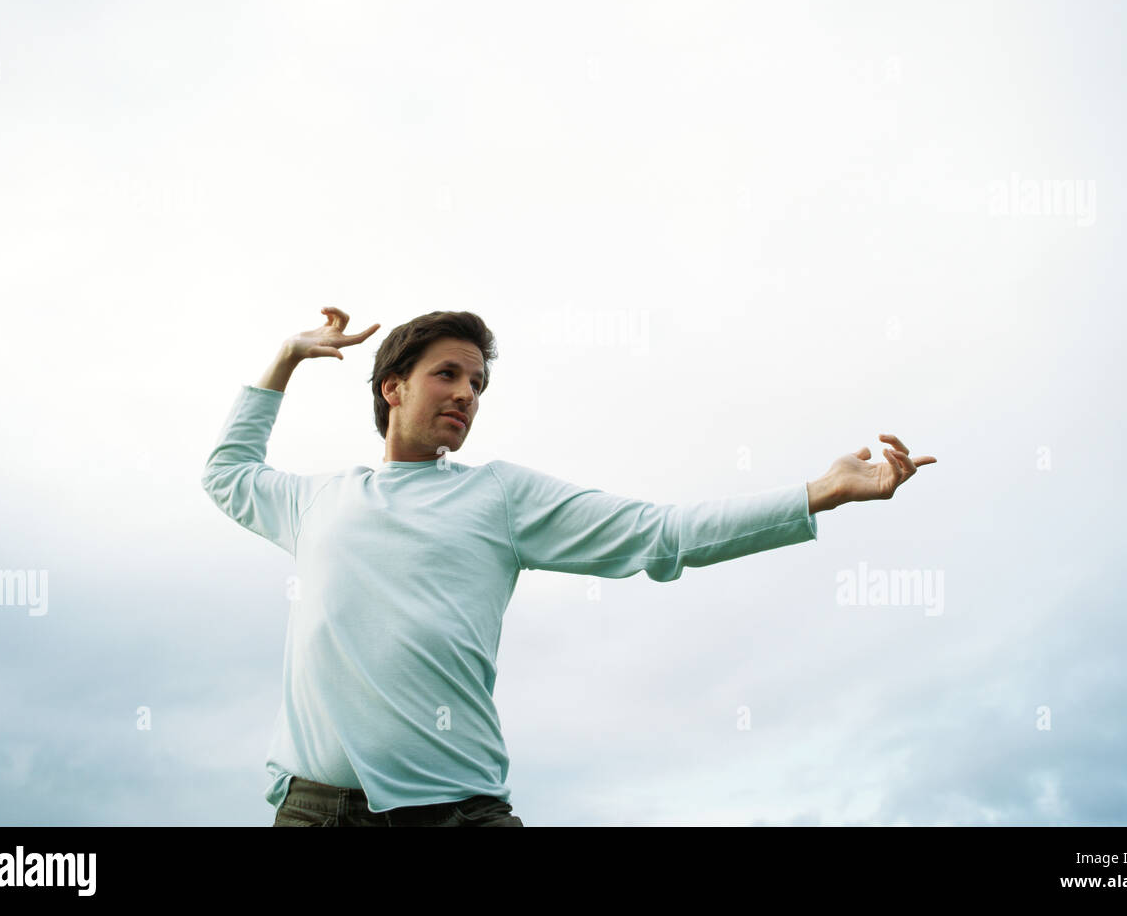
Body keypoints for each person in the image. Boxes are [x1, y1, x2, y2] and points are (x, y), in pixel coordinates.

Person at [200, 306, 937, 827]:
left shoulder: (499, 496)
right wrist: (287, 357)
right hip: (318, 810)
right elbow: (228, 472)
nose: (465, 393)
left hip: (457, 812)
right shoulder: (318, 500)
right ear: (393, 387)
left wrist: (820, 494)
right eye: (447, 374)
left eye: (478, 384)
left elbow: (661, 535)